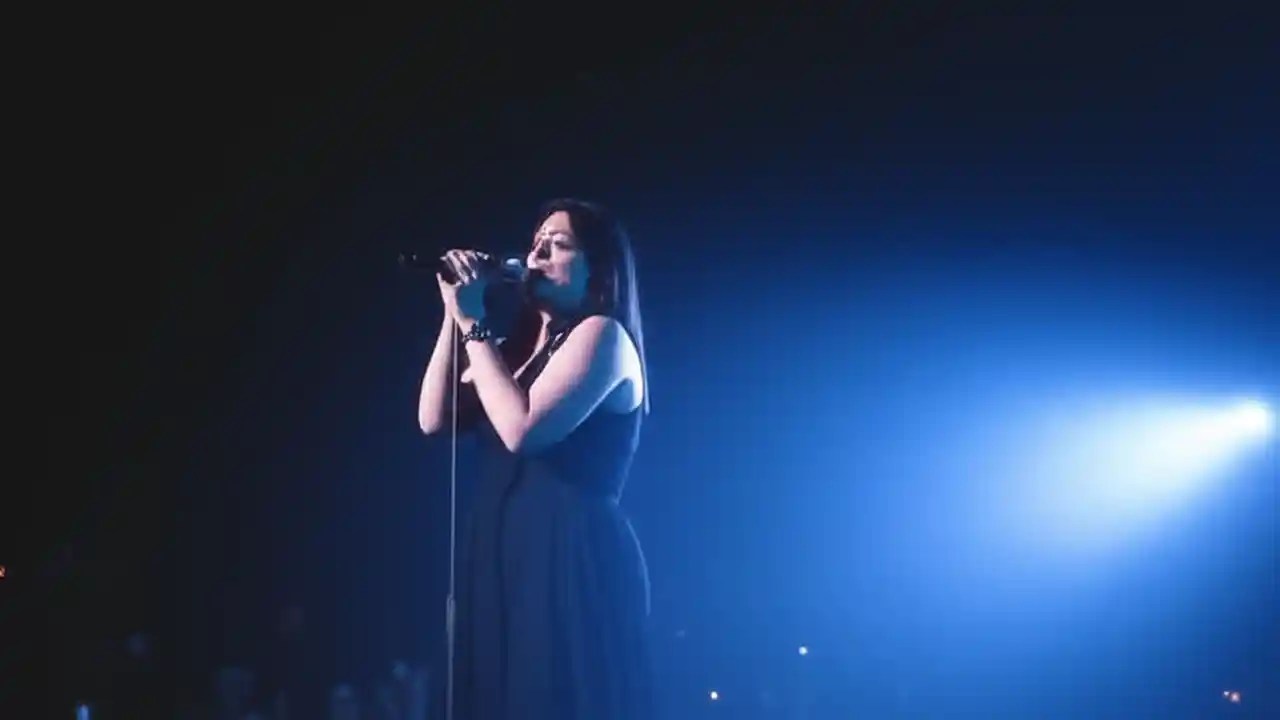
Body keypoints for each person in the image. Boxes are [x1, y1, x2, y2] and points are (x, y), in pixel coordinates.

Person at [416, 198, 654, 719]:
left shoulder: (603, 336)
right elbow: (432, 418)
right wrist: (453, 317)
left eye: (559, 244)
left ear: (599, 269)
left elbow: (523, 431)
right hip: (505, 552)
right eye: (536, 242)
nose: (538, 252)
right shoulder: (510, 354)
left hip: (570, 555)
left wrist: (475, 324)